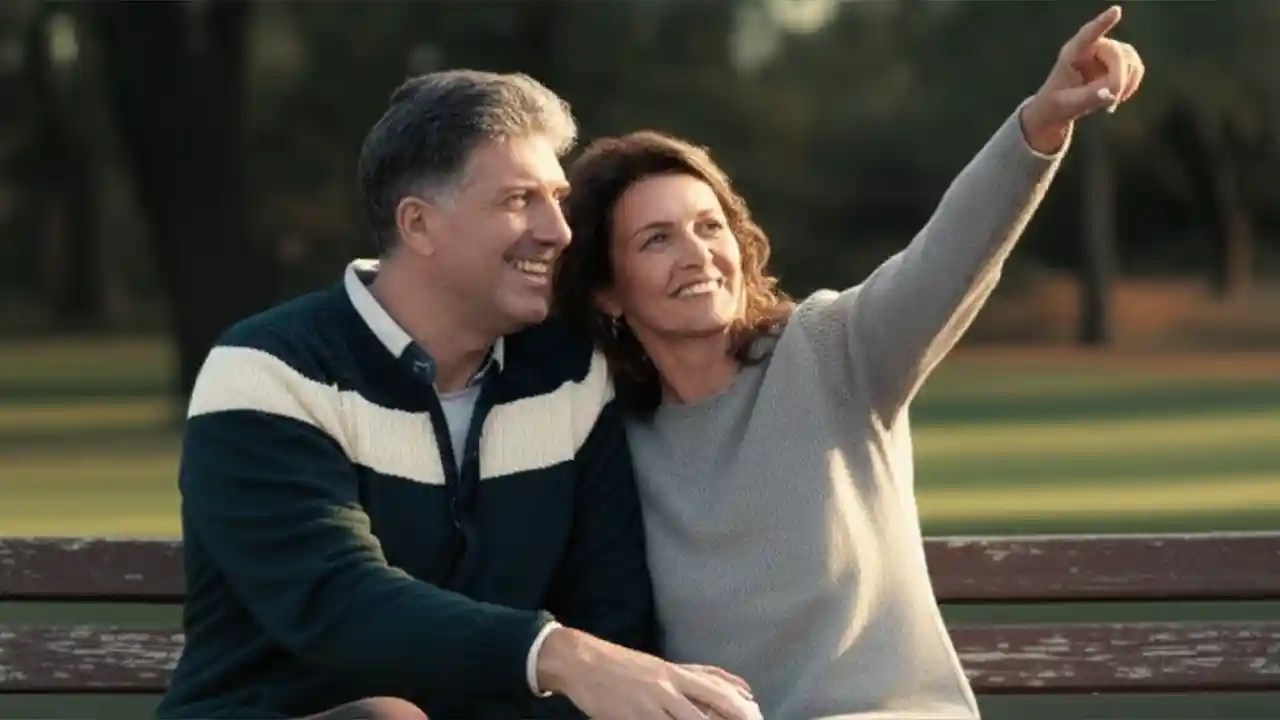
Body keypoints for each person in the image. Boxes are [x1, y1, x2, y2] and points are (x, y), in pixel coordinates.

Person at [553, 8, 1145, 720]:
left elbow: (948, 256)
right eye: (656, 239)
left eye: (710, 226)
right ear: (607, 290)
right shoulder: (611, 442)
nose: (697, 254)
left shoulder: (830, 350)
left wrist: (1040, 122)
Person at [157, 70, 760, 720]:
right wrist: (557, 654)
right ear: (418, 225)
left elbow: (611, 615)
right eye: (518, 200)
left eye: (556, 198)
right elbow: (336, 603)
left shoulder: (568, 372)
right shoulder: (269, 370)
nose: (558, 230)